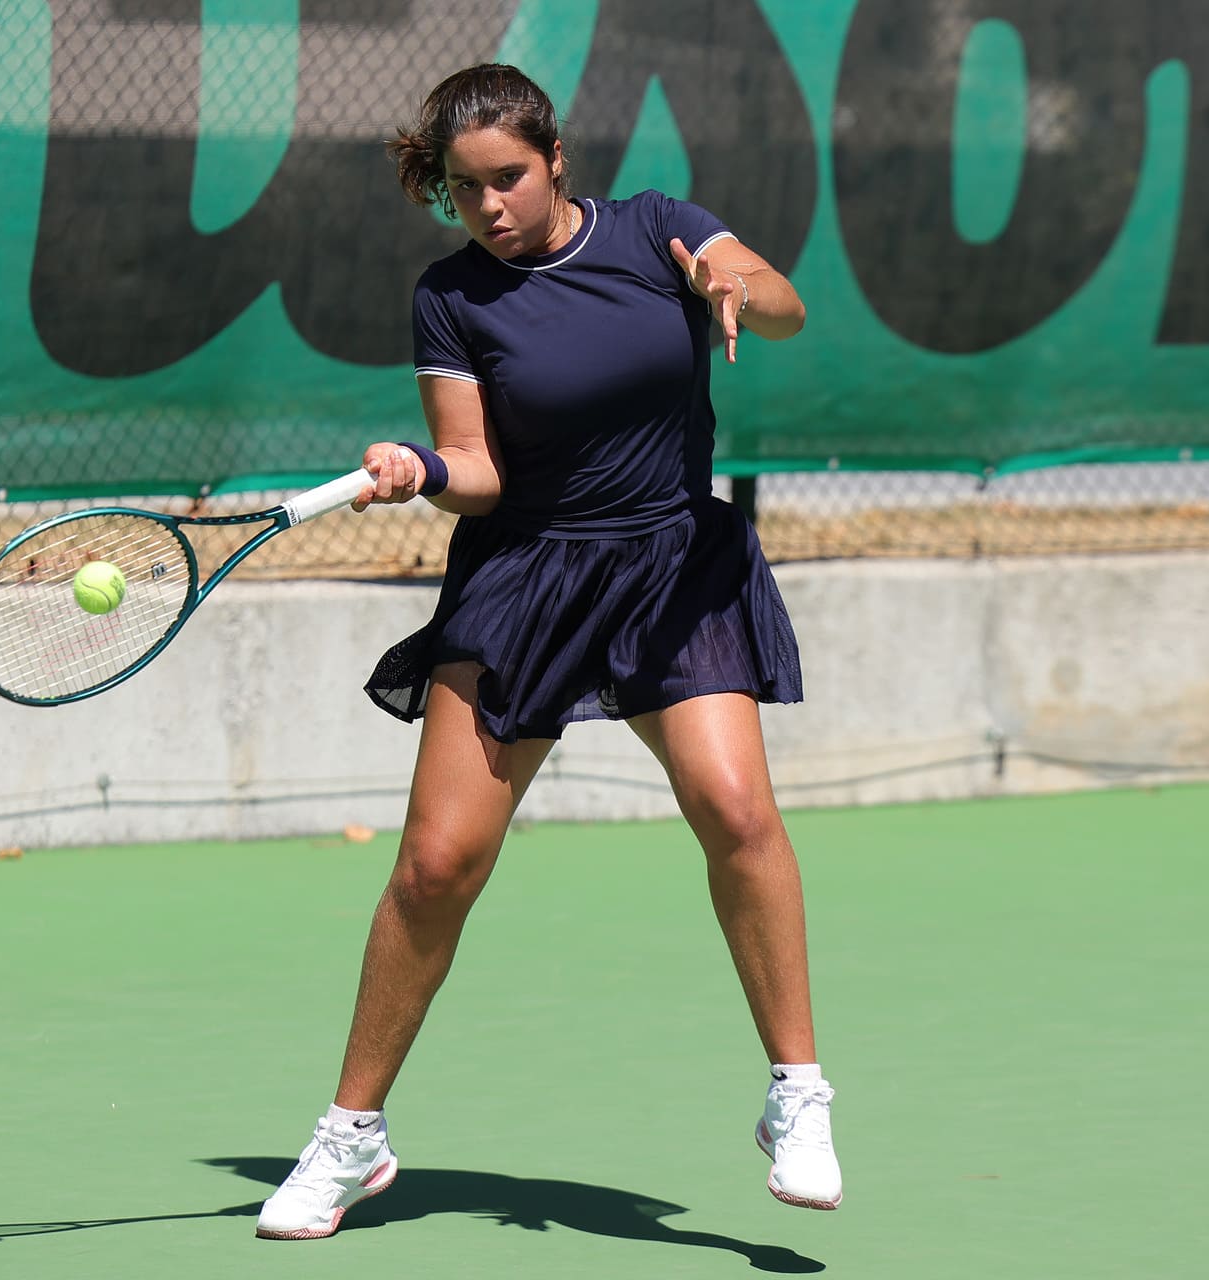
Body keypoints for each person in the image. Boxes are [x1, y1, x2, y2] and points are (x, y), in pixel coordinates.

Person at [254, 63, 840, 1241]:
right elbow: (477, 472)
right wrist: (421, 471)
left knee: (736, 809)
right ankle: (352, 1134)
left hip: (673, 561)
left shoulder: (657, 229)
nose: (491, 210)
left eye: (508, 180)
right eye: (466, 192)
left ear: (557, 157)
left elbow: (784, 308)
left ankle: (798, 1096)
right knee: (436, 865)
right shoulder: (452, 297)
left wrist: (736, 276)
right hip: (527, 573)